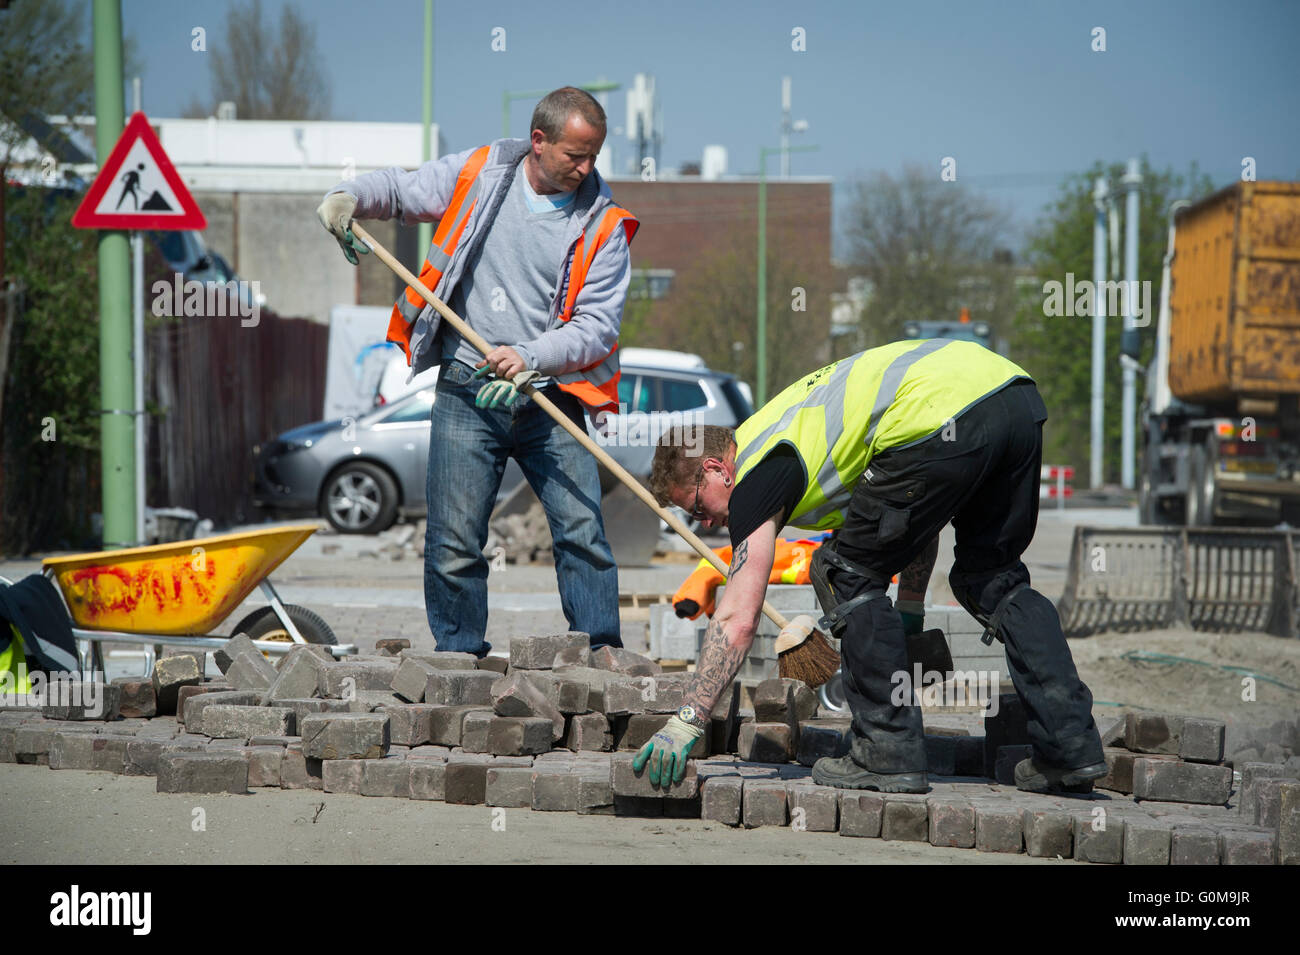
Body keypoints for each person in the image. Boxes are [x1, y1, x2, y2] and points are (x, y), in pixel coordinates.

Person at [637, 338, 1106, 795]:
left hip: (936, 414)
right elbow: (915, 522)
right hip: (1012, 396)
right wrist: (908, 615)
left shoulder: (758, 471)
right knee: (994, 579)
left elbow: (739, 616)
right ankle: (1069, 747)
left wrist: (688, 720)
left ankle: (887, 752)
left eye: (697, 506)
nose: (706, 522)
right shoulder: (797, 435)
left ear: (717, 469)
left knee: (842, 573)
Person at [315, 87, 637, 656]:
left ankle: (599, 659)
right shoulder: (481, 174)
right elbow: (400, 189)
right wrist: (349, 196)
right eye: (574, 155)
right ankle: (460, 656)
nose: (586, 169)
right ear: (539, 141)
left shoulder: (604, 225)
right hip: (467, 389)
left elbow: (597, 328)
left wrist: (532, 356)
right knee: (455, 539)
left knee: (583, 534)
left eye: (593, 157)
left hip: (549, 398)